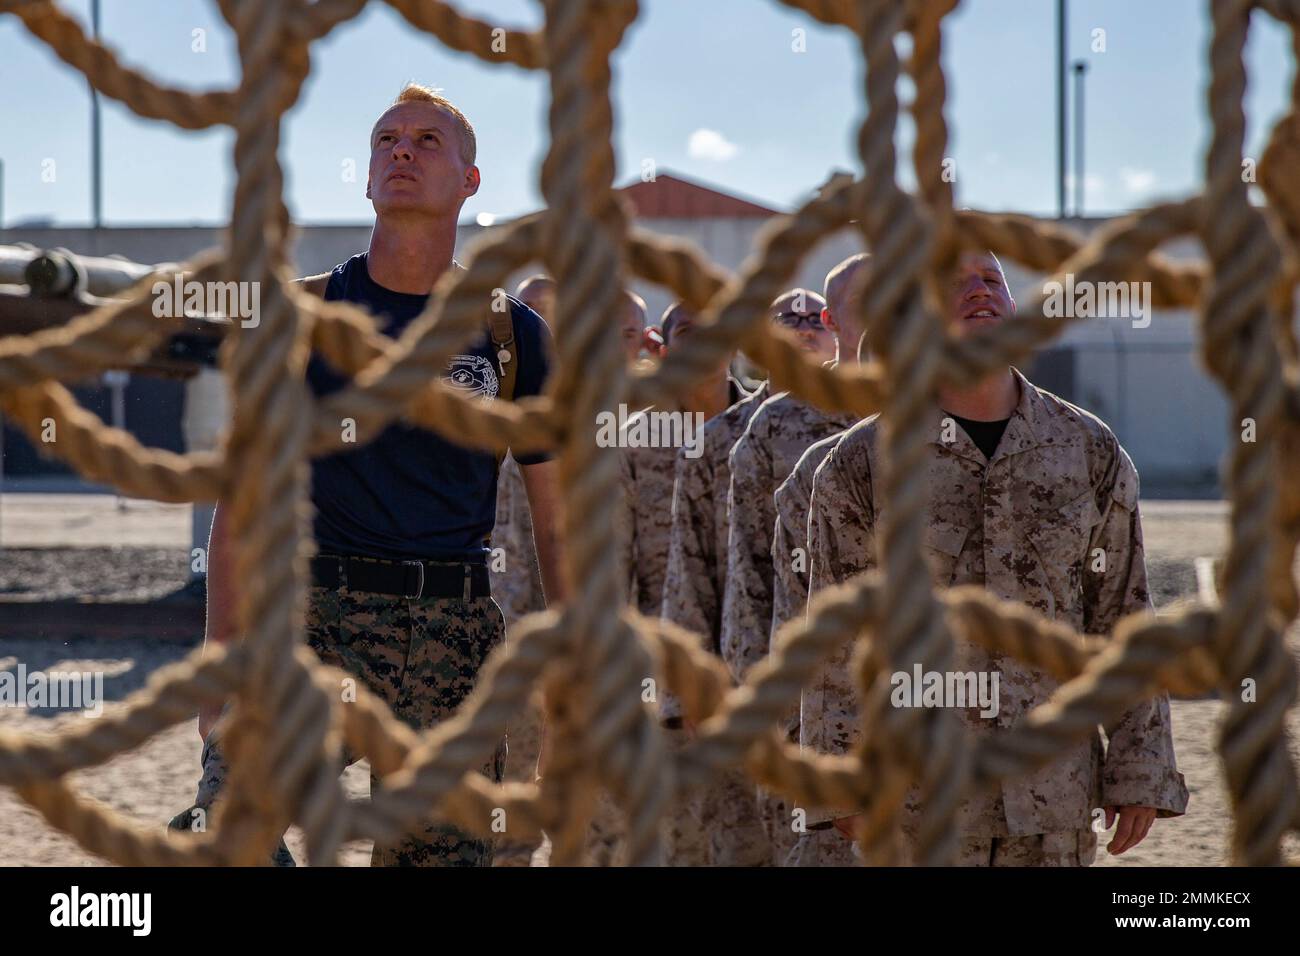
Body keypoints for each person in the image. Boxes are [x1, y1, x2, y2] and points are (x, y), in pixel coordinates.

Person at [169, 83, 566, 867]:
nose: (401, 152)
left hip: (456, 638)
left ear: (470, 180)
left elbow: (560, 524)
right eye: (386, 140)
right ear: (367, 175)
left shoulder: (511, 335)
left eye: (425, 140)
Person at [797, 250, 1188, 866]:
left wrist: (1140, 764)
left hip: (1052, 800)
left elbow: (1123, 614)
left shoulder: (1085, 448)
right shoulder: (861, 463)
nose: (979, 291)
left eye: (991, 280)